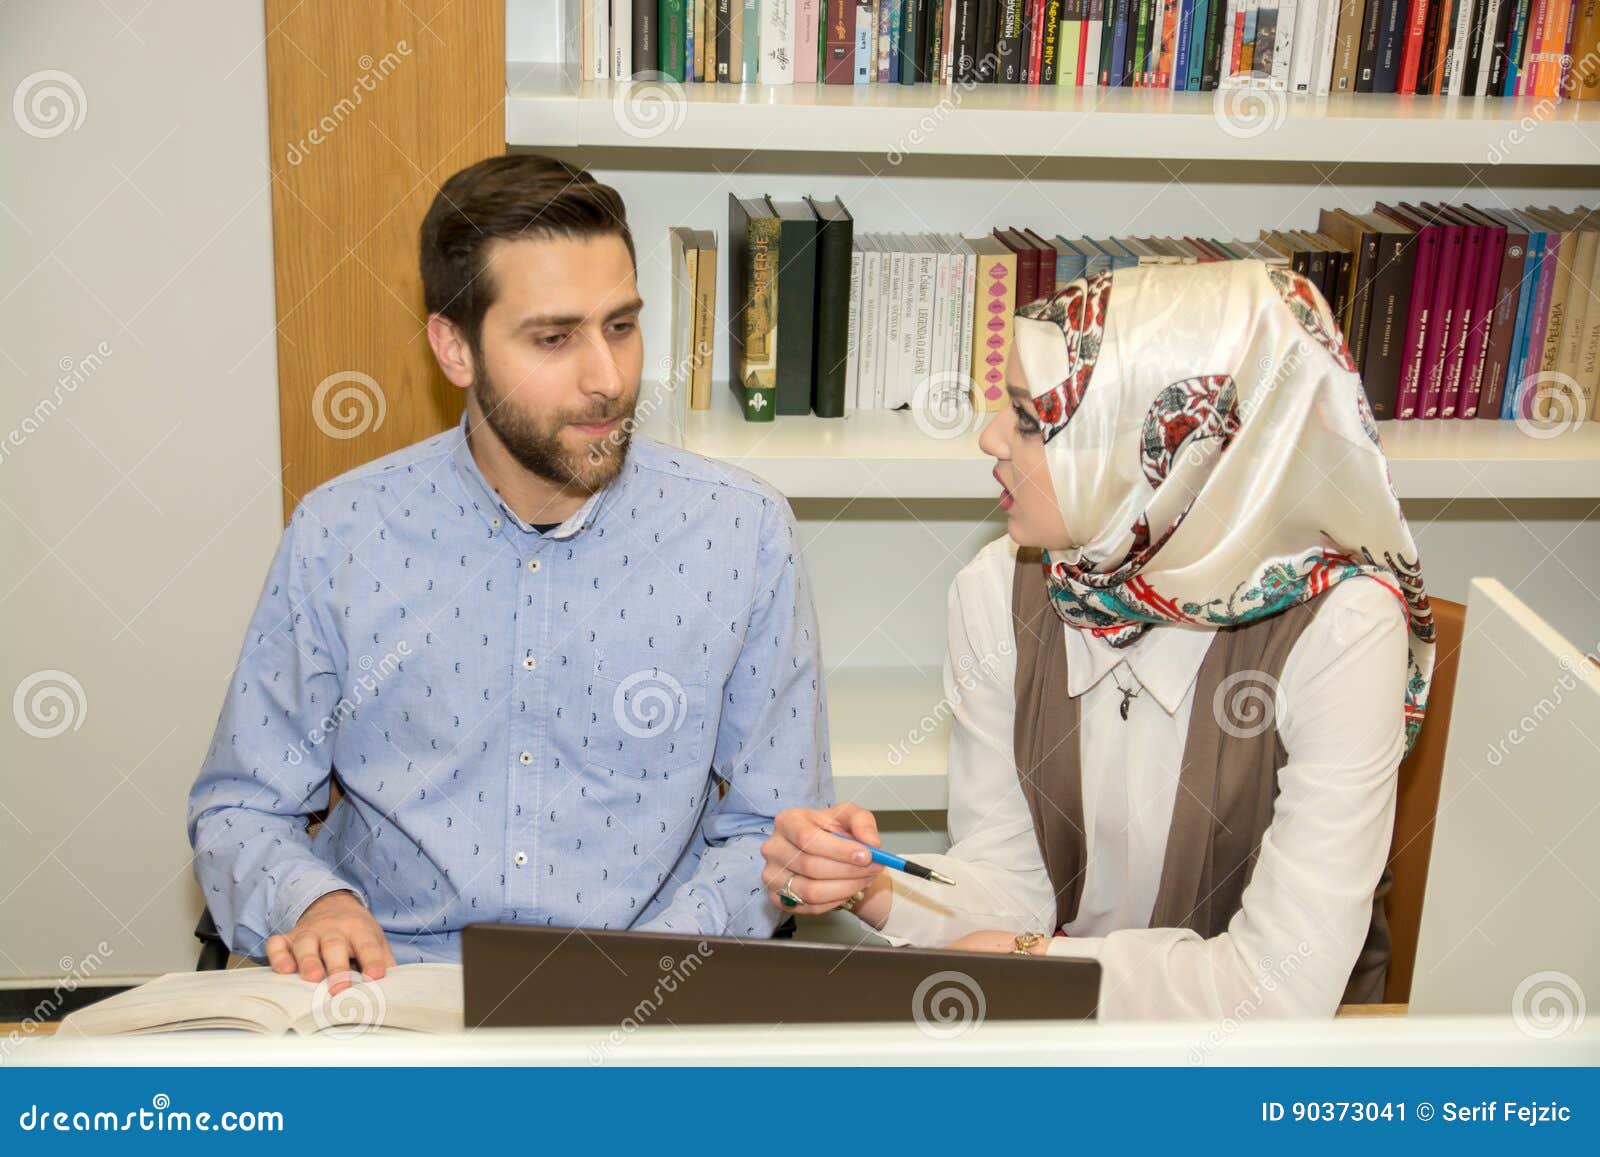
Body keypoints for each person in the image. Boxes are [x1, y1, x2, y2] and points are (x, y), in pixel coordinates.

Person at [188, 154, 830, 987]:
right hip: (396, 989)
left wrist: (653, 965)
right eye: (555, 339)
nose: (608, 379)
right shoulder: (340, 535)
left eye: (622, 326)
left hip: (647, 986)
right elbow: (241, 806)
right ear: (455, 347)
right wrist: (313, 903)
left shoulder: (742, 534)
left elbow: (773, 829)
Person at [760, 259, 1435, 1019]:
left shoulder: (1344, 629)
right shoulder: (997, 591)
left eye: (1029, 417)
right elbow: (1015, 885)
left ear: (1164, 444)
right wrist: (871, 883)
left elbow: (1277, 990)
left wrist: (1037, 962)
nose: (989, 437)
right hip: (1071, 1031)